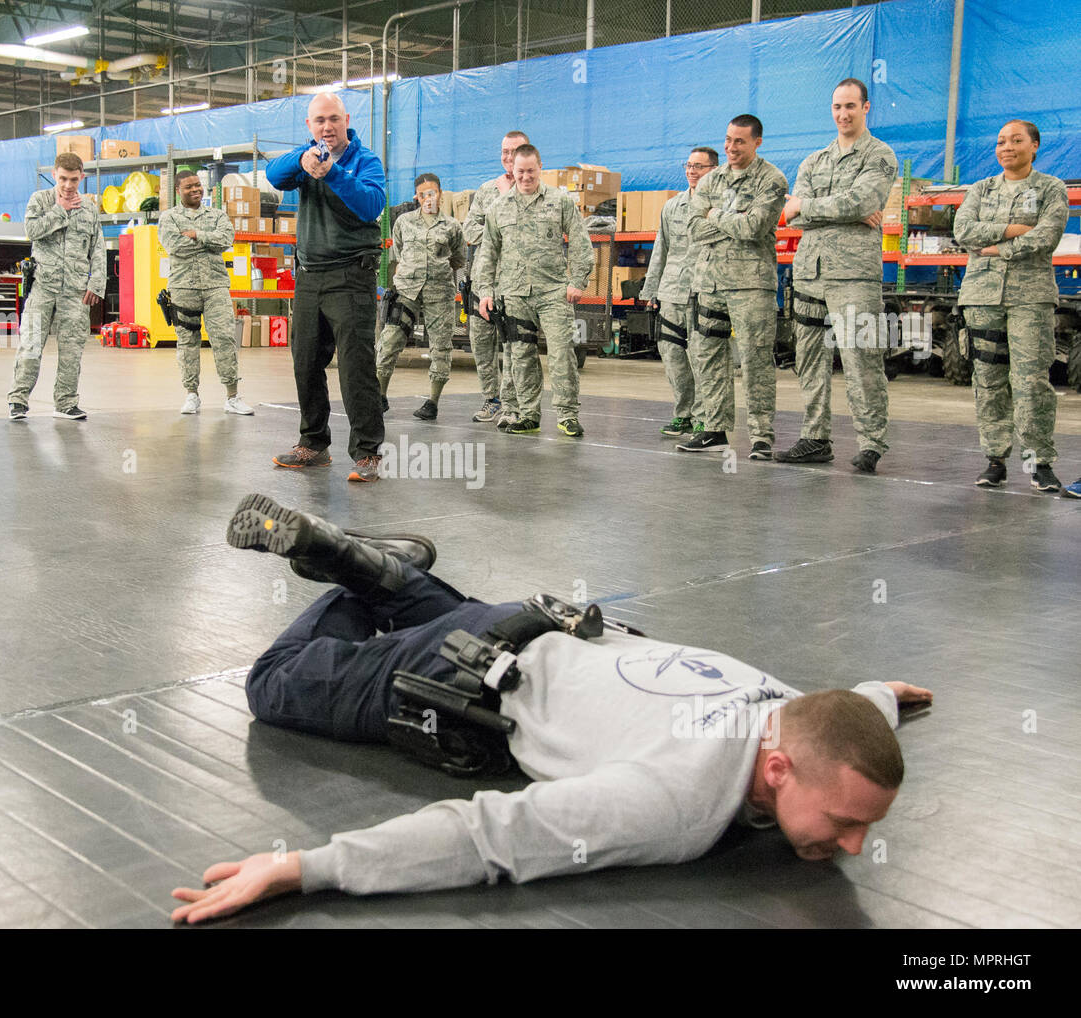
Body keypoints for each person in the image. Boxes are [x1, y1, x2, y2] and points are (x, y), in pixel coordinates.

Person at [167, 493, 934, 922]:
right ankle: (351, 571)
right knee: (272, 684)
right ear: (778, 767)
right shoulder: (676, 801)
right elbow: (488, 835)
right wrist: (302, 867)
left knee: (432, 611)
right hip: (457, 672)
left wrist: (880, 696)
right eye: (845, 822)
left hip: (540, 622)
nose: (857, 844)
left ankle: (387, 573)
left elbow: (847, 717)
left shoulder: (792, 709)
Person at [777, 79, 898, 474]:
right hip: (810, 273)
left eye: (850, 106)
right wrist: (844, 211)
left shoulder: (879, 156)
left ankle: (871, 442)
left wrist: (810, 206)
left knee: (861, 358)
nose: (843, 114)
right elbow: (792, 215)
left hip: (854, 276)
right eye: (836, 107)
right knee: (809, 359)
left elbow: (862, 201)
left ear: (866, 107)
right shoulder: (814, 161)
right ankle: (815, 437)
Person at [266, 93, 387, 483]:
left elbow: (371, 205)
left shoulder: (365, 161)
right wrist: (301, 160)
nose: (327, 127)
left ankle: (367, 452)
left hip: (351, 276)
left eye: (333, 119)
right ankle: (313, 444)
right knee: (305, 361)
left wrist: (333, 172)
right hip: (310, 277)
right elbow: (273, 175)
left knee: (355, 367)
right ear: (309, 125)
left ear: (346, 119)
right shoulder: (307, 158)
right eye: (319, 120)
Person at [952, 119, 1069, 493]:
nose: (1007, 147)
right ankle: (995, 461)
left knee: (1031, 382)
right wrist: (1013, 229)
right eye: (1001, 141)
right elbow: (962, 230)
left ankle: (1038, 464)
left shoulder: (1051, 188)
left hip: (1029, 298)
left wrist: (996, 248)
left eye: (1016, 140)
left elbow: (1047, 236)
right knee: (988, 381)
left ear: (1034, 146)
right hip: (982, 296)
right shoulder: (981, 189)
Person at [680, 115, 787, 459]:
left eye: (739, 141)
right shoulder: (712, 179)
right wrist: (732, 221)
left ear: (757, 142)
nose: (731, 147)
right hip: (710, 283)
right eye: (728, 140)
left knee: (756, 360)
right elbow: (693, 228)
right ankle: (714, 429)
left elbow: (755, 227)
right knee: (709, 358)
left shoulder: (772, 180)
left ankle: (761, 436)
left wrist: (714, 215)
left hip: (751, 285)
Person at [473, 145, 594, 437]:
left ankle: (567, 414)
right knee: (521, 355)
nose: (526, 177)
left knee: (561, 353)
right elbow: (487, 253)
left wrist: (578, 281)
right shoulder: (499, 207)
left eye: (531, 171)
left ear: (540, 167)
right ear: (512, 171)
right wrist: (485, 291)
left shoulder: (560, 201)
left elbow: (580, 241)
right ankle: (528, 415)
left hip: (554, 293)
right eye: (520, 171)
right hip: (514, 293)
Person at [7, 151, 105, 422]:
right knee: (30, 345)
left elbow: (97, 248)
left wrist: (97, 283)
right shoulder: (40, 200)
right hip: (42, 286)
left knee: (72, 350)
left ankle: (66, 403)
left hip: (75, 291)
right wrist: (60, 210)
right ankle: (18, 400)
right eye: (63, 179)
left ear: (82, 176)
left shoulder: (89, 209)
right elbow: (32, 231)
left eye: (74, 179)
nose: (68, 185)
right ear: (54, 175)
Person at [157, 170, 253, 417]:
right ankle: (191, 395)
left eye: (198, 185)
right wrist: (208, 244)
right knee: (187, 342)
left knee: (224, 339)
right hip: (183, 287)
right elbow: (174, 246)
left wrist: (197, 235)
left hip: (215, 287)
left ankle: (232, 396)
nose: (195, 190)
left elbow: (226, 240)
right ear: (178, 190)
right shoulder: (169, 218)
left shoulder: (217, 215)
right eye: (189, 187)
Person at [640, 146, 718, 439]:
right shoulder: (672, 206)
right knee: (672, 354)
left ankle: (703, 418)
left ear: (713, 170)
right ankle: (683, 414)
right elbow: (661, 248)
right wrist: (651, 289)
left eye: (698, 166)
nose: (691, 171)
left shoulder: (720, 205)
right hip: (671, 291)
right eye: (689, 165)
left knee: (701, 357)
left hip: (704, 291)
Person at [376, 173, 467, 420]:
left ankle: (432, 402)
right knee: (390, 340)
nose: (428, 198)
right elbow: (399, 252)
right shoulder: (403, 222)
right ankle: (380, 396)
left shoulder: (452, 226)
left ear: (440, 194)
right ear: (416, 196)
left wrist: (437, 270)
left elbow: (459, 258)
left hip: (440, 292)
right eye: (423, 194)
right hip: (407, 290)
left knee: (441, 346)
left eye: (432, 192)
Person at [463, 130, 529, 426]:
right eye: (504, 151)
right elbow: (469, 229)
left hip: (515, 284)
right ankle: (492, 399)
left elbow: (526, 232)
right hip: (483, 283)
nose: (508, 157)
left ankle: (512, 405)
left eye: (514, 151)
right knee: (481, 345)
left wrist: (506, 200)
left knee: (514, 347)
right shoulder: (486, 189)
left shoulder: (533, 191)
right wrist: (499, 232)